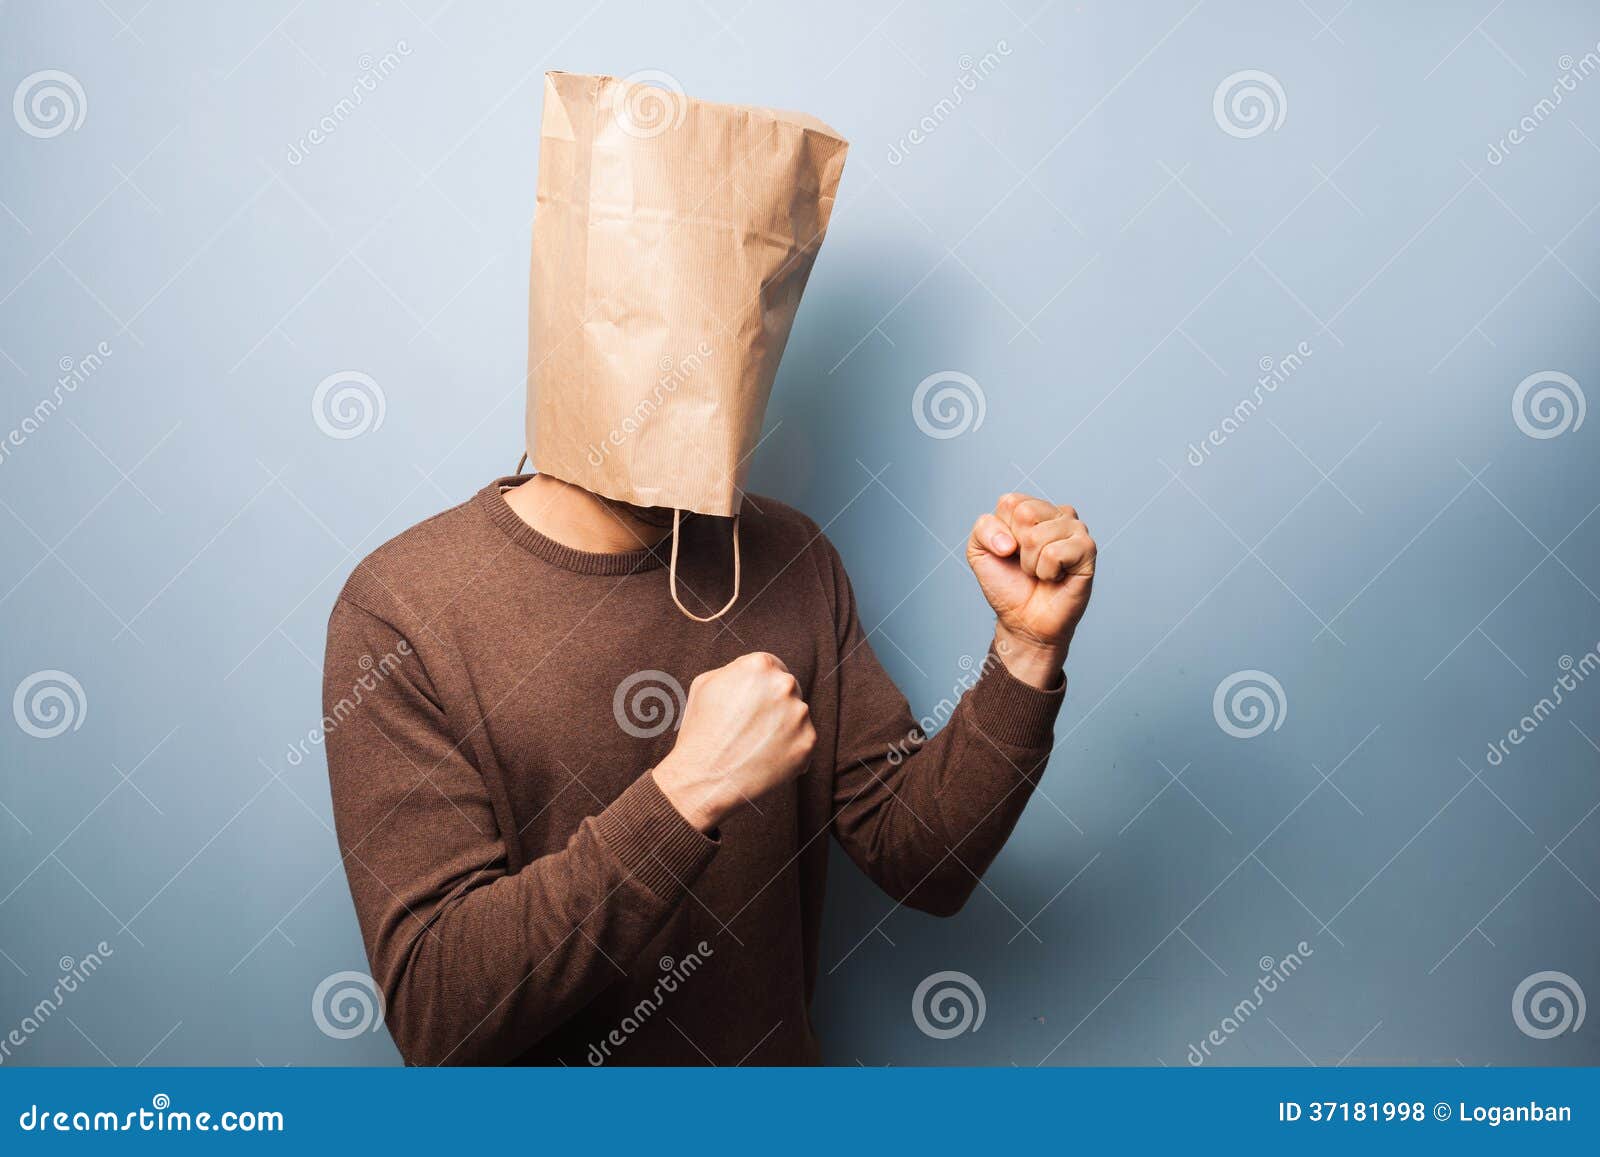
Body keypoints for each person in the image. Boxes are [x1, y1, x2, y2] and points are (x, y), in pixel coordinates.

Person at [322, 470, 1094, 1065]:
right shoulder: (401, 605)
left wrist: (1025, 653)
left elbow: (924, 859)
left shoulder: (791, 556)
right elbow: (437, 1012)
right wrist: (689, 792)